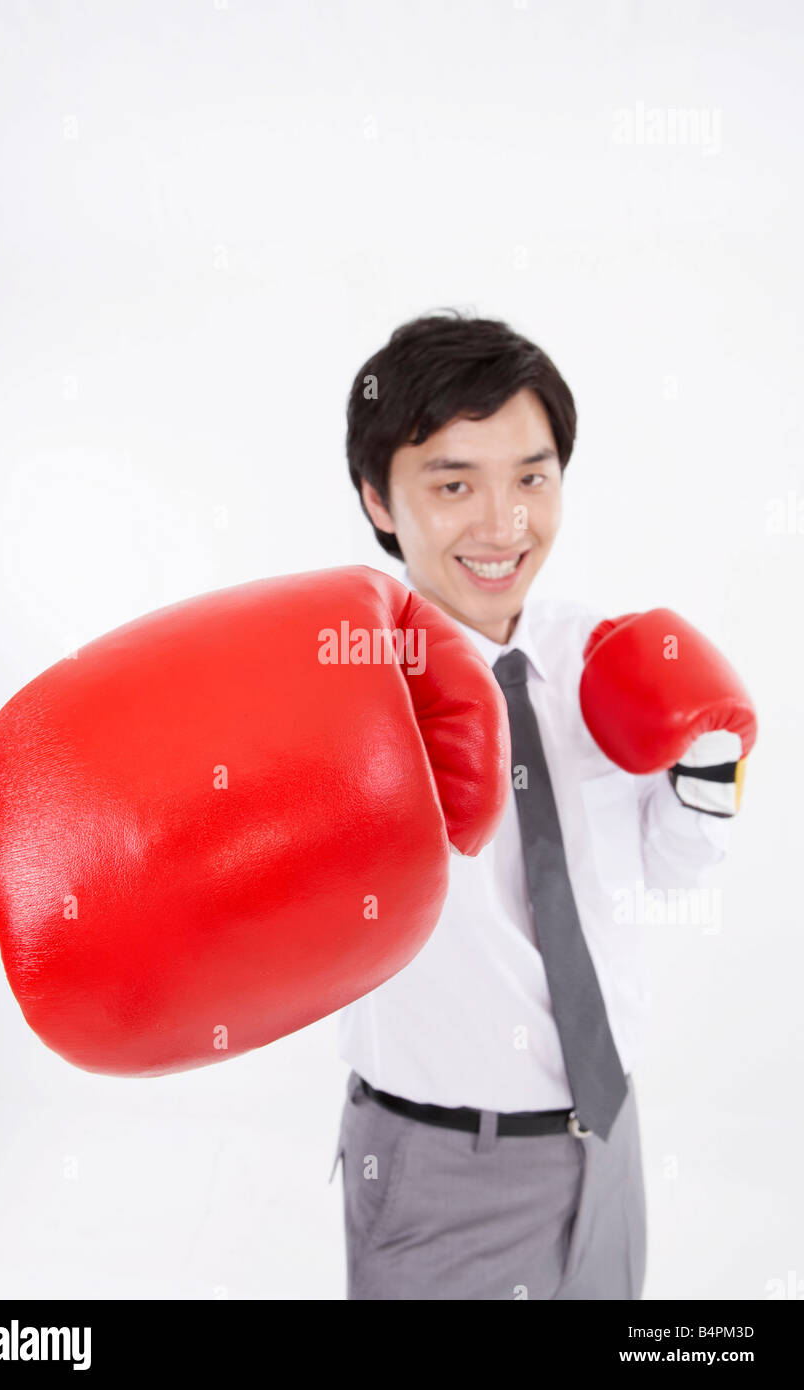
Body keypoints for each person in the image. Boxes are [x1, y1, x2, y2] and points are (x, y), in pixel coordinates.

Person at [329, 309, 741, 1300]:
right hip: (440, 1169)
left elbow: (671, 870)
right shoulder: (349, 689)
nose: (503, 522)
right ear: (381, 500)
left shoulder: (602, 650)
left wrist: (707, 768)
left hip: (612, 1142)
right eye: (454, 483)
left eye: (531, 476)